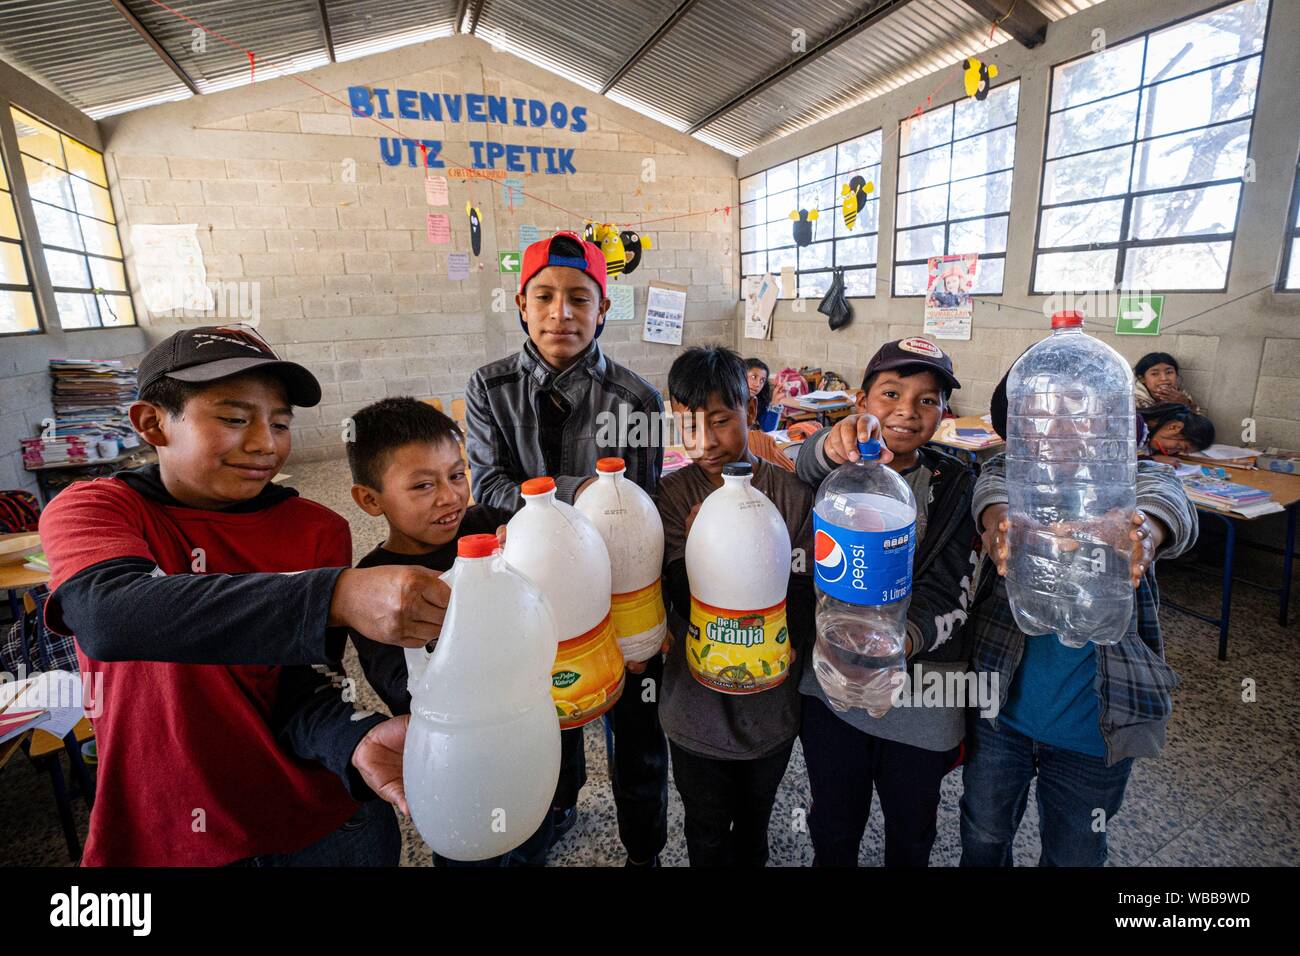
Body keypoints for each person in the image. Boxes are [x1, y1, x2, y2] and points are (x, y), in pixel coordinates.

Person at [38, 324, 425, 866]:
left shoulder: (313, 530)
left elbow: (300, 687)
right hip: (170, 833)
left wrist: (353, 739)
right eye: (234, 419)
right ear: (152, 423)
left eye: (281, 422)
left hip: (318, 827)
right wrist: (332, 595)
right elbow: (108, 615)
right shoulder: (97, 510)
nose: (265, 443)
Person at [464, 230, 668, 866]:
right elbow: (488, 484)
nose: (562, 313)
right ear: (521, 304)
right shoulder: (489, 388)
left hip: (617, 591)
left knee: (635, 728)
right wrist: (582, 499)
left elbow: (642, 516)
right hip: (528, 589)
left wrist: (639, 626)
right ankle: (558, 806)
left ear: (602, 310)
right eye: (545, 296)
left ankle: (643, 846)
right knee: (547, 717)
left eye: (580, 298)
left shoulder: (636, 399)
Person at [959, 366, 1199, 867]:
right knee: (983, 831)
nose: (1061, 431)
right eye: (1041, 417)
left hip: (1098, 726)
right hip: (1000, 712)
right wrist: (1002, 527)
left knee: (1075, 849)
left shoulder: (1137, 482)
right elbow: (992, 499)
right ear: (1015, 429)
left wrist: (1141, 534)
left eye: (1081, 414)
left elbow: (1168, 503)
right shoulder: (1007, 474)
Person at [342, 396, 553, 866]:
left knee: (531, 842)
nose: (450, 496)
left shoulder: (488, 528)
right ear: (370, 499)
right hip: (455, 764)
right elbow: (400, 685)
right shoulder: (376, 585)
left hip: (523, 742)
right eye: (422, 485)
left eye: (457, 475)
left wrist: (527, 552)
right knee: (468, 850)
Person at [793, 337, 979, 866]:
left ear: (944, 412)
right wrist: (830, 447)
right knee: (832, 825)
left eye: (927, 399)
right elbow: (800, 464)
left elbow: (955, 589)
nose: (906, 411)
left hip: (924, 699)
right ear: (860, 403)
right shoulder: (833, 470)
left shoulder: (960, 484)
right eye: (890, 393)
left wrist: (898, 642)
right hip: (830, 688)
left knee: (912, 828)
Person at [655, 346, 824, 866]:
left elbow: (806, 589)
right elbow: (670, 592)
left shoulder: (792, 495)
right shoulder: (670, 497)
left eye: (721, 422)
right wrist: (707, 541)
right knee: (704, 825)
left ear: (750, 412)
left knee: (755, 819)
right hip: (693, 712)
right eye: (688, 426)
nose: (704, 442)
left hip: (770, 712)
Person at [1140, 403, 1216, 457]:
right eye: (1178, 447)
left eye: (1179, 451)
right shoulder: (1135, 428)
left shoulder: (1152, 437)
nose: (1169, 452)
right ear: (1174, 427)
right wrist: (1152, 460)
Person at [1134, 352, 1201, 412]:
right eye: (1155, 374)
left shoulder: (1181, 396)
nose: (1164, 378)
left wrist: (1186, 404)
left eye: (1169, 372)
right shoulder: (1132, 399)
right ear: (1142, 379)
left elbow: (1200, 422)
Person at [745, 358, 773, 429]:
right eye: (754, 377)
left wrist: (775, 404)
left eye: (762, 380)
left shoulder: (759, 401)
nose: (757, 384)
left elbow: (768, 429)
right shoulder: (729, 400)